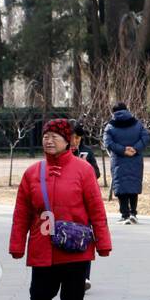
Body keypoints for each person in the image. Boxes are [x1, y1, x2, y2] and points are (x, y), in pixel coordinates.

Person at [9, 118, 112, 300]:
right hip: (42, 245)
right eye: (46, 135)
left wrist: (103, 242)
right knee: (39, 295)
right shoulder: (32, 172)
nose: (49, 140)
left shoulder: (83, 170)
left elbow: (96, 209)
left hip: (75, 247)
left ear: (68, 141)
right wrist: (16, 245)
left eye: (55, 136)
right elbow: (21, 211)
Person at [68, 120, 102, 290]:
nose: (74, 142)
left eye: (77, 138)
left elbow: (96, 173)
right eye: (71, 137)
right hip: (65, 205)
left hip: (83, 204)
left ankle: (84, 277)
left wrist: (84, 167)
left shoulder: (86, 153)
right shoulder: (59, 153)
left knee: (84, 238)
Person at [103, 101, 150, 224]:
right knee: (133, 185)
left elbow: (108, 142)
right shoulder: (137, 124)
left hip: (119, 159)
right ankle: (133, 213)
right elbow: (145, 137)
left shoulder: (110, 126)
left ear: (113, 112)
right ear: (127, 110)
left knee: (121, 186)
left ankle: (125, 214)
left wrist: (123, 150)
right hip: (135, 158)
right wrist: (135, 148)